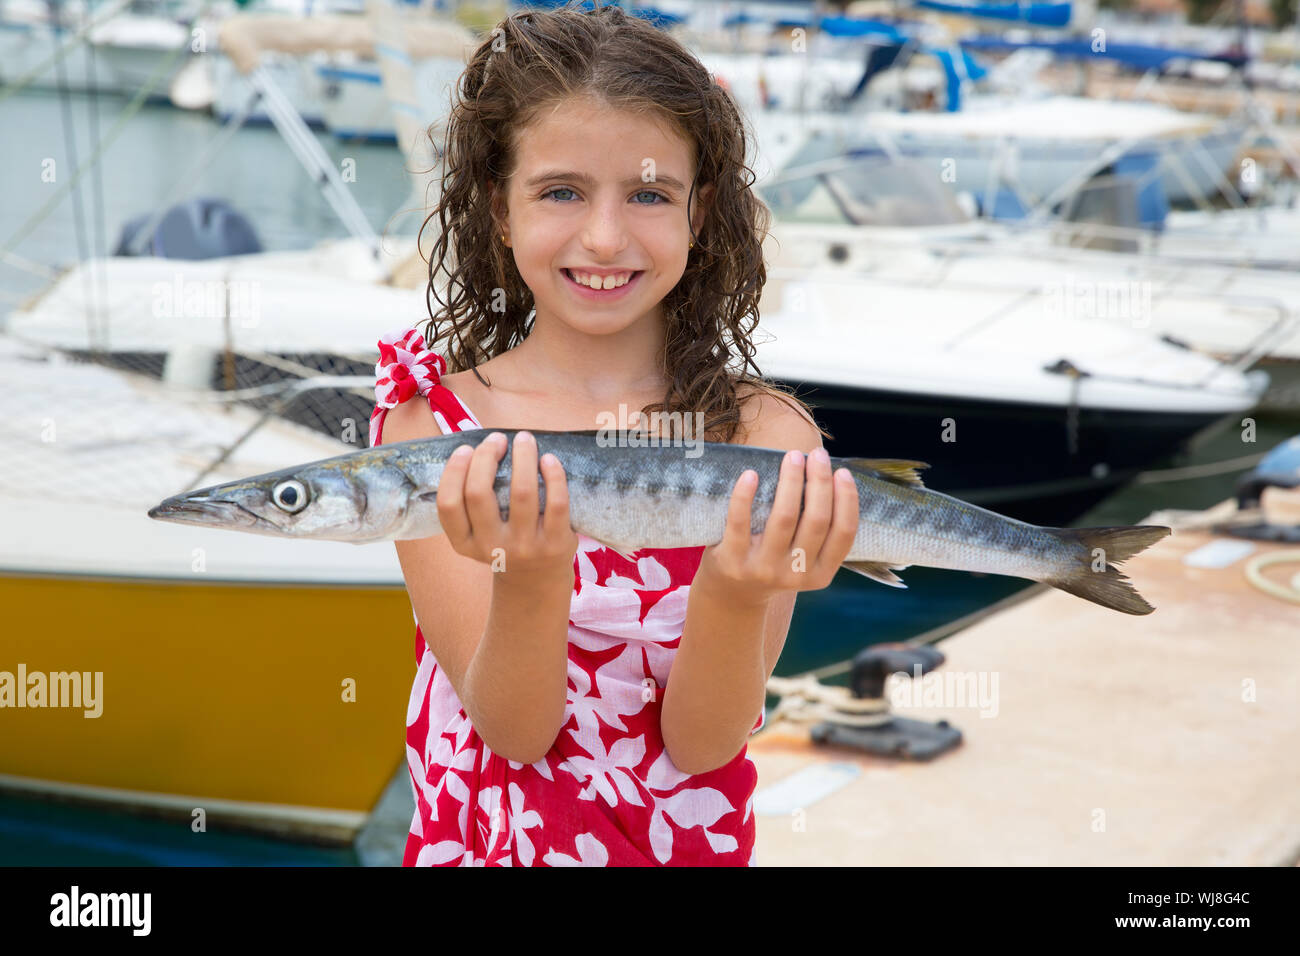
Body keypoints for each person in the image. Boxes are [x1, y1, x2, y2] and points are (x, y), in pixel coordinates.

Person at [370, 2, 860, 866]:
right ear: (497, 206)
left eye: (647, 193)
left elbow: (704, 747)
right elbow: (516, 735)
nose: (604, 236)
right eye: (561, 191)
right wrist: (531, 574)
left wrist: (738, 593)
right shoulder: (430, 427)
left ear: (699, 212)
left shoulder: (772, 437)